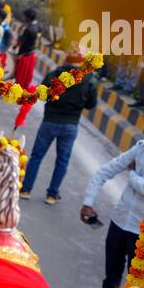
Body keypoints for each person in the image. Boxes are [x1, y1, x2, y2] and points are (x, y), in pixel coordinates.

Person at [79, 112, 144, 288]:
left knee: (136, 282)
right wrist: (88, 202)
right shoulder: (140, 149)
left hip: (143, 231)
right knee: (111, 275)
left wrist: (133, 174)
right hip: (119, 222)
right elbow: (105, 172)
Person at [19, 51, 100, 204]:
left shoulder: (53, 74)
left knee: (36, 157)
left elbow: (42, 93)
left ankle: (26, 189)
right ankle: (52, 194)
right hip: (70, 125)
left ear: (66, 60)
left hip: (49, 121)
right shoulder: (89, 80)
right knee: (62, 161)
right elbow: (91, 104)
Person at [13, 9, 41, 90]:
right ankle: (23, 88)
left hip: (24, 54)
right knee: (27, 75)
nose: (23, 18)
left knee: (20, 74)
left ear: (28, 18)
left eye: (24, 16)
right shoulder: (38, 26)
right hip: (32, 53)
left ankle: (17, 90)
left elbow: (21, 41)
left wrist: (15, 47)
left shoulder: (28, 29)